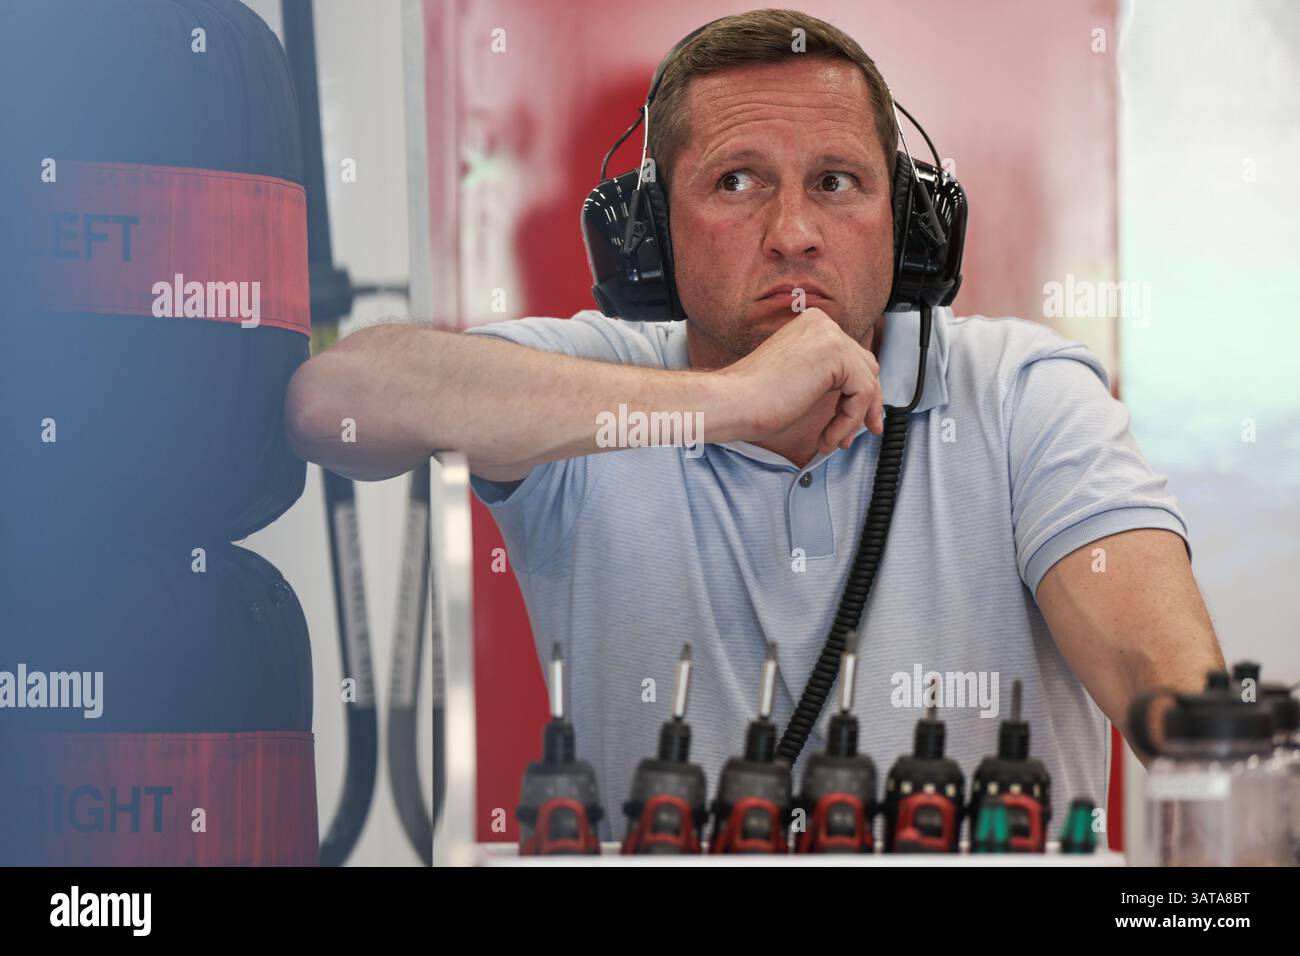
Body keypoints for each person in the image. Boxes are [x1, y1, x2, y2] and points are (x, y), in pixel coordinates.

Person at [285, 8, 1223, 841]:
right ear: (652, 233)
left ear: (905, 224)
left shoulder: (1025, 394)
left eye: (837, 182)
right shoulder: (591, 378)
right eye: (736, 182)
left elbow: (1169, 683)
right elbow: (332, 401)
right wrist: (729, 400)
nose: (793, 232)